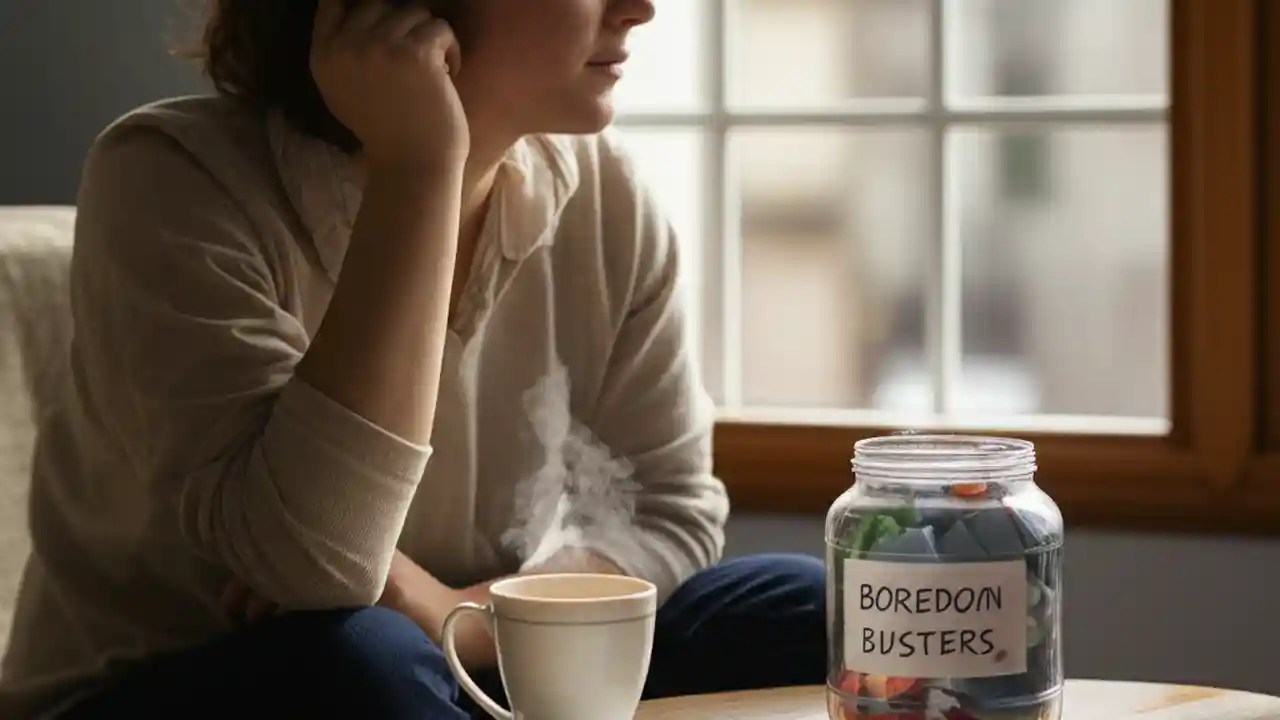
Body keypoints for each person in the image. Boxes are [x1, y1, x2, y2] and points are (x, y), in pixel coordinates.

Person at [0, 1, 825, 717]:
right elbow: (313, 569)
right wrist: (421, 165)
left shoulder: (607, 198)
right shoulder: (171, 180)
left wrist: (460, 614)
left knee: (815, 608)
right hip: (187, 686)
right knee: (364, 660)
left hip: (472, 667)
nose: (640, 6)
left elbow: (671, 511)